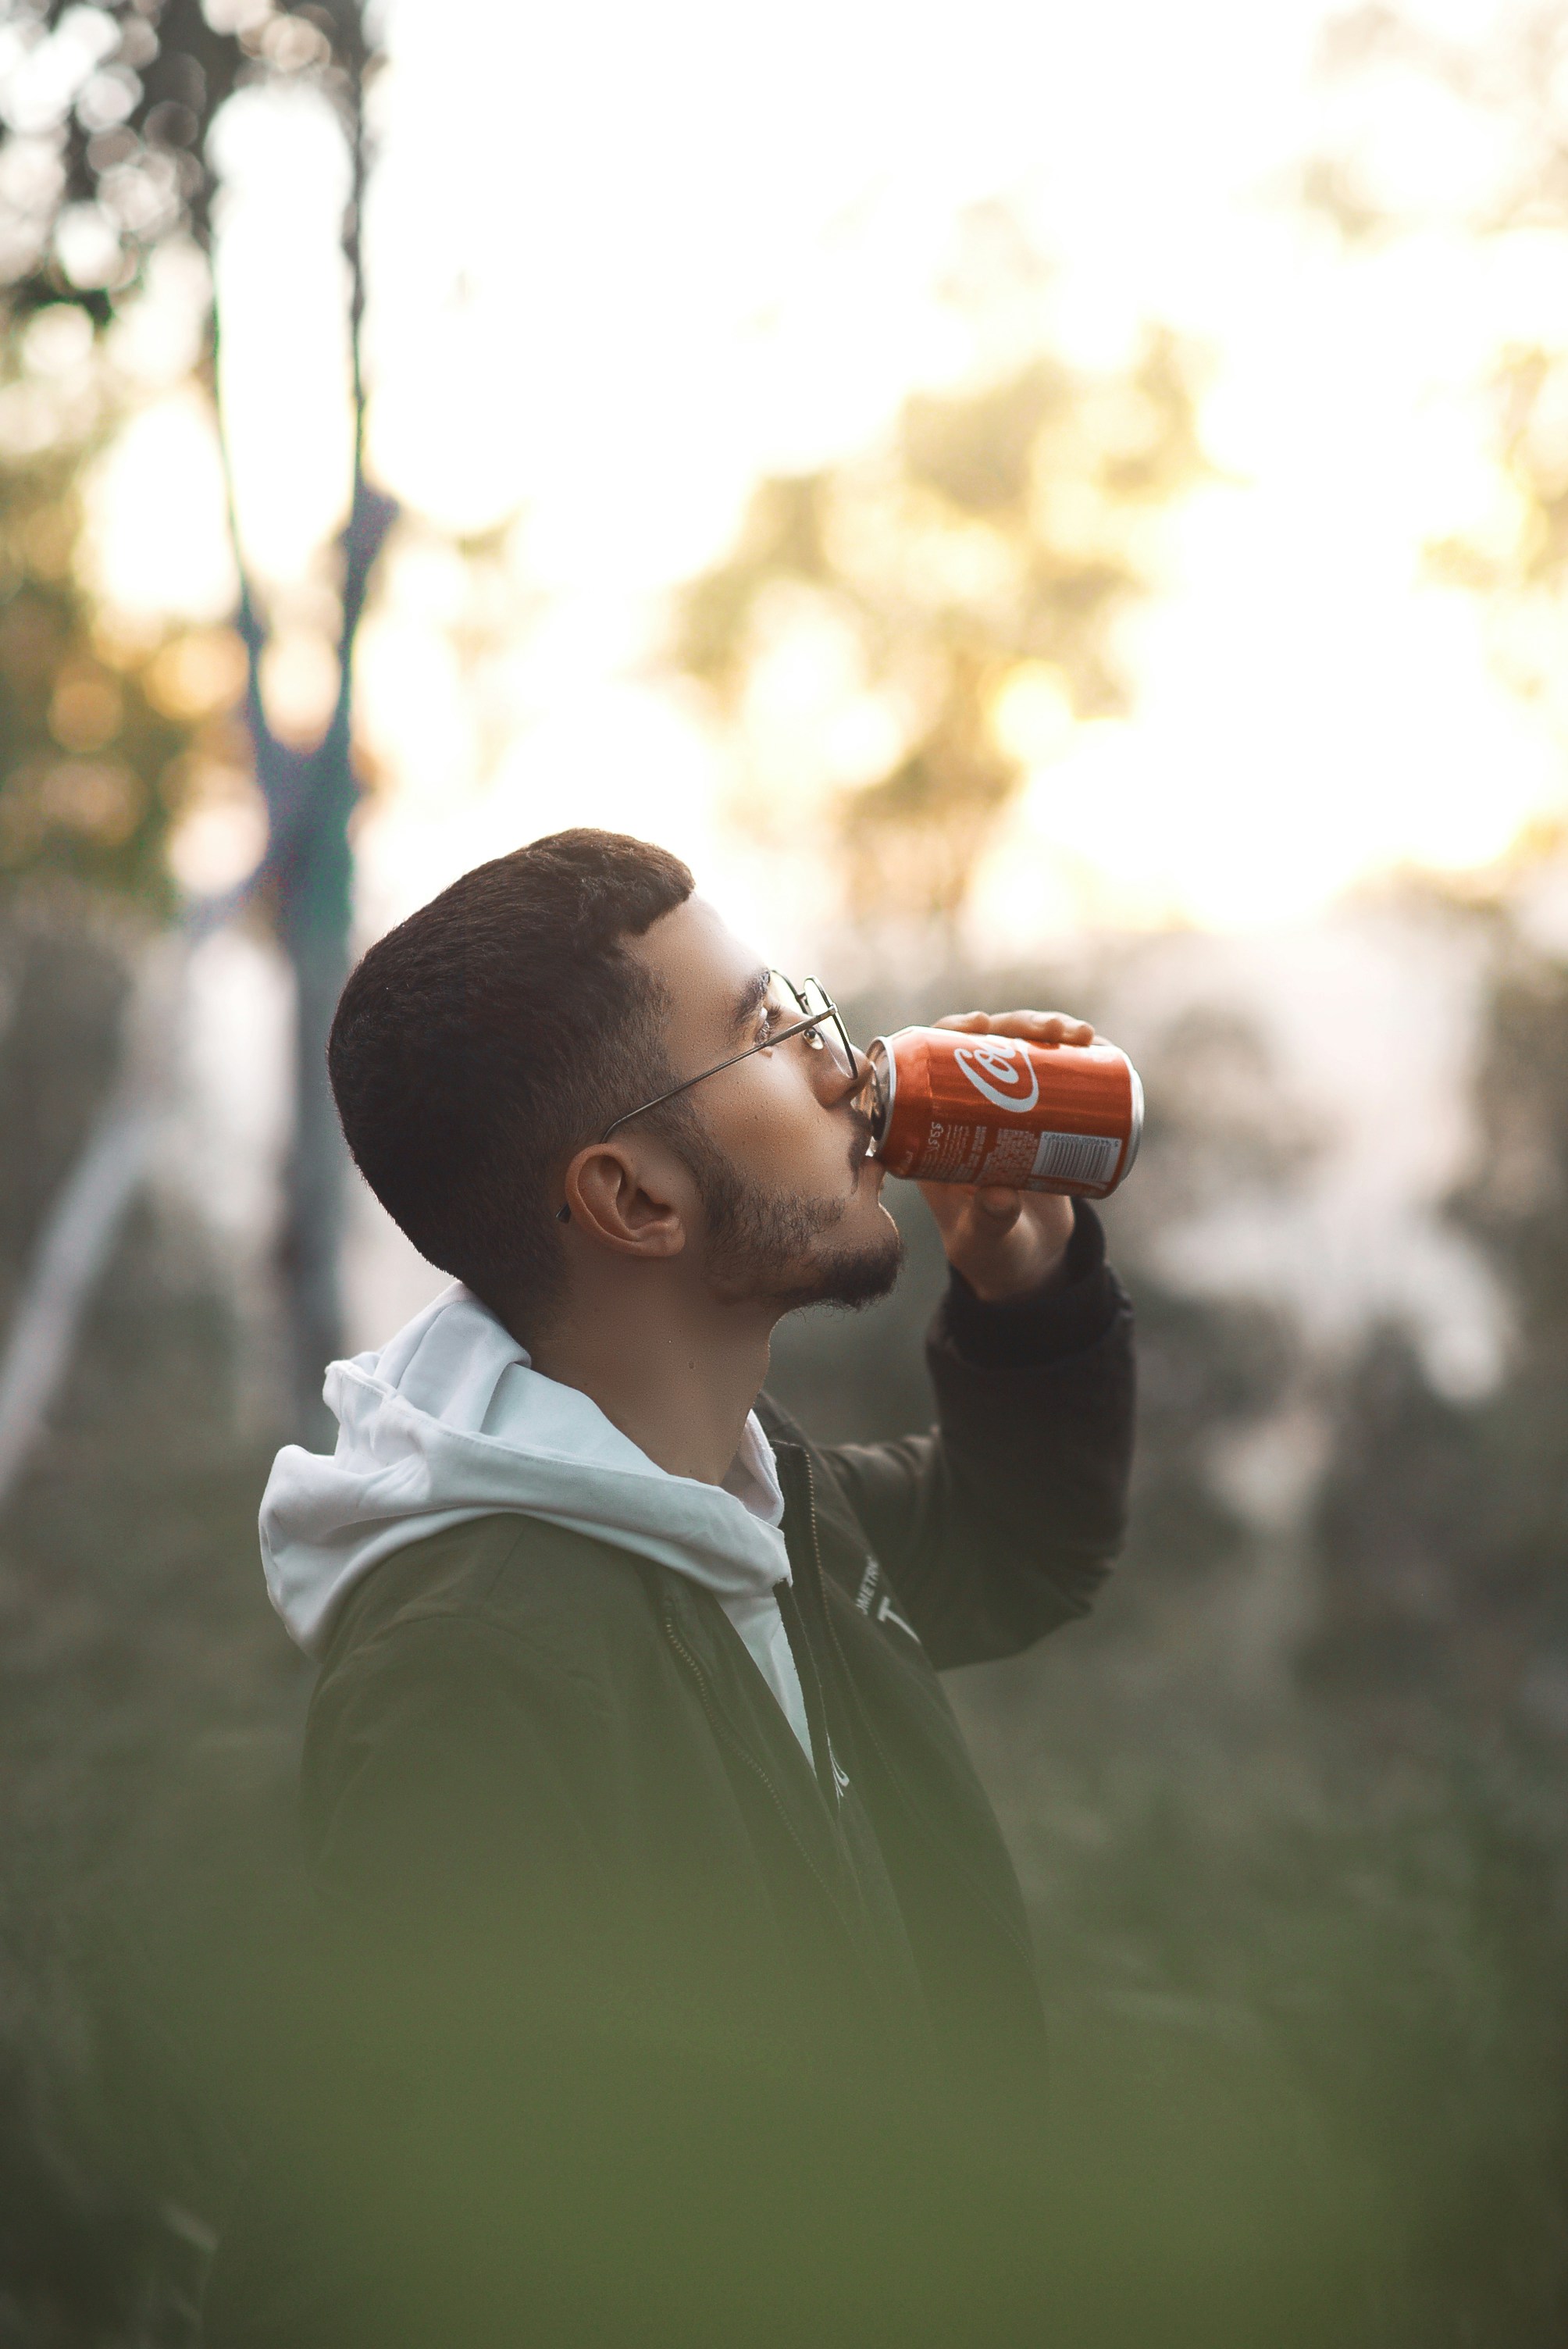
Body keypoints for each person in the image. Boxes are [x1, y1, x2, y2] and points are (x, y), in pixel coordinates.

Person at [202, 828, 1135, 2349]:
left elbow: (1018, 1541)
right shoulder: (475, 1668)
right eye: (770, 1034)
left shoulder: (758, 1505)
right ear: (633, 1197)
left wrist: (1017, 1266)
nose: (848, 1072)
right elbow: (375, 2255)